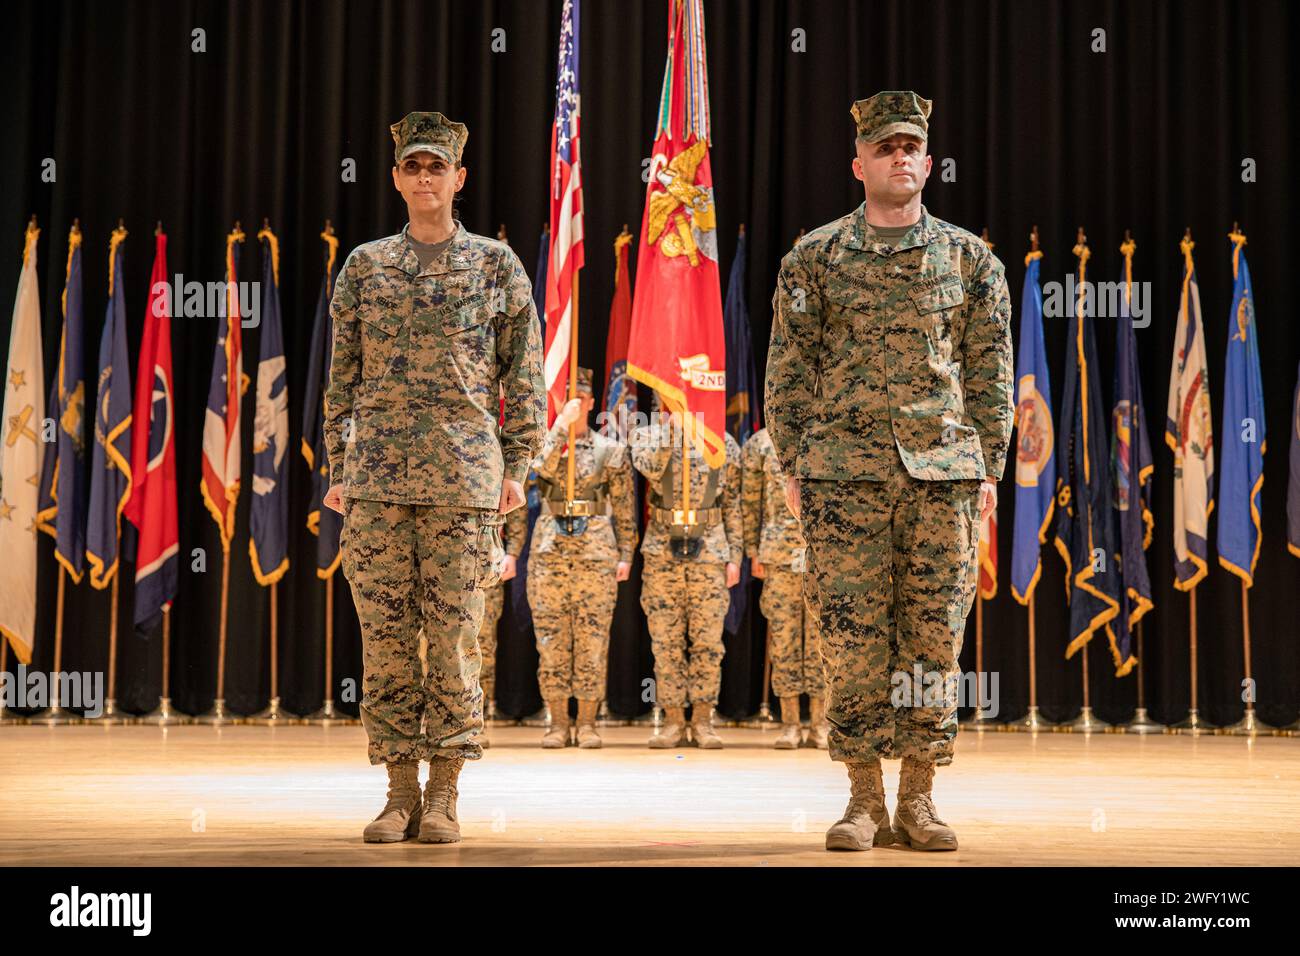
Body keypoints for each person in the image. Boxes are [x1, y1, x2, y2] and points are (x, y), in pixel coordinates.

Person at [765, 91, 1012, 851]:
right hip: (843, 477)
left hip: (943, 479)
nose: (899, 157)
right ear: (859, 163)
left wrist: (990, 465)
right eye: (885, 147)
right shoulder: (816, 257)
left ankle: (920, 798)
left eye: (911, 147)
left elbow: (989, 370)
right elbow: (787, 368)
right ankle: (863, 799)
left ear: (929, 164)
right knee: (851, 637)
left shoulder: (971, 259)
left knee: (933, 640)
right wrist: (794, 459)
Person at [323, 111, 545, 844]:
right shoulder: (364, 266)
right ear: (395, 179)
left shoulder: (495, 265)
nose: (425, 178)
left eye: (436, 167)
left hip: (462, 482)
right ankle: (397, 792)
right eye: (413, 166)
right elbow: (340, 377)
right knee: (385, 642)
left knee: (452, 642)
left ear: (459, 178)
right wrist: (337, 465)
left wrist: (516, 467)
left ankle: (446, 790)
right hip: (379, 483)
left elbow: (526, 374)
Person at [526, 367, 637, 748]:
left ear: (591, 403)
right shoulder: (546, 443)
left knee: (592, 639)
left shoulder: (610, 450)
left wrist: (626, 553)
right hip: (549, 554)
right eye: (567, 397)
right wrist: (561, 425)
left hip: (595, 553)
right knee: (551, 638)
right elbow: (538, 469)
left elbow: (624, 507)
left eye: (582, 398)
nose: (576, 403)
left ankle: (587, 722)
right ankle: (558, 722)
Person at [630, 406, 742, 749]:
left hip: (710, 549)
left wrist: (735, 556)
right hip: (663, 550)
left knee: (708, 642)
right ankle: (674, 721)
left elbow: (733, 503)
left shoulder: (722, 443)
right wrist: (671, 431)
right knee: (666, 642)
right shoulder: (646, 436)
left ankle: (704, 720)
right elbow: (649, 467)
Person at [741, 426, 828, 749]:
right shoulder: (762, 444)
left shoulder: (827, 433)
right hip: (778, 552)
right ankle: (790, 722)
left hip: (823, 551)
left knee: (822, 638)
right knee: (784, 638)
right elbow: (749, 501)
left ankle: (820, 723)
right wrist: (752, 550)